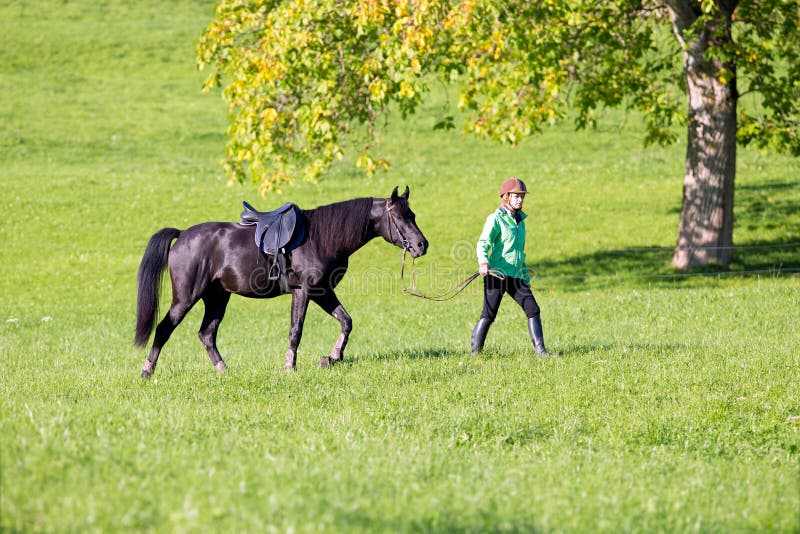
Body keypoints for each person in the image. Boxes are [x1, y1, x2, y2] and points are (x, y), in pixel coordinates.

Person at [471, 177, 557, 357]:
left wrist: (525, 275)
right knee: (489, 314)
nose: (520, 199)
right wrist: (483, 262)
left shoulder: (520, 222)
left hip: (516, 275)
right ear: (506, 196)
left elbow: (519, 253)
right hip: (497, 274)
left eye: (522, 197)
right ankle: (475, 354)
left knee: (533, 309)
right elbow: (483, 242)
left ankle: (541, 352)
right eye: (516, 196)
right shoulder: (496, 219)